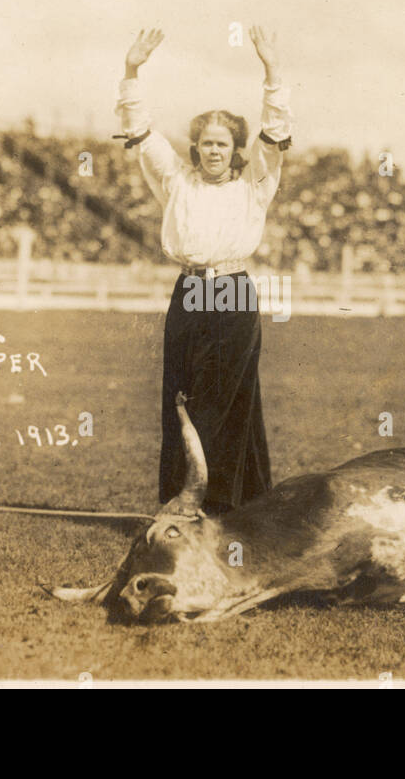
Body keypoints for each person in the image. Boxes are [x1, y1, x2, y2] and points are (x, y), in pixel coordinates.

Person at [114, 26, 292, 516]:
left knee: (224, 398)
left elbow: (274, 133)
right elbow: (141, 130)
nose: (213, 151)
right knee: (181, 393)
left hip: (233, 292)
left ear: (236, 149)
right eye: (206, 144)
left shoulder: (255, 180)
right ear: (195, 147)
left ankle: (212, 505)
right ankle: (207, 500)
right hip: (189, 291)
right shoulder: (176, 180)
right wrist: (132, 71)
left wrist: (272, 71)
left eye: (222, 144)